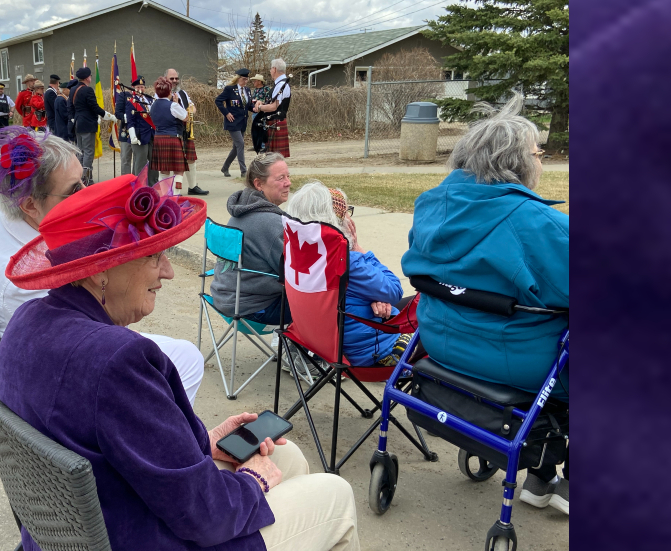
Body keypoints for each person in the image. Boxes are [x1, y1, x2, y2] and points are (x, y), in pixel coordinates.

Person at [0, 171, 360, 551]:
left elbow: (112, 440)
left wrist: (203, 440)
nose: (168, 271)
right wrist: (253, 482)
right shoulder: (115, 360)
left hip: (86, 523)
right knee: (334, 495)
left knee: (285, 454)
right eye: (154, 255)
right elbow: (204, 515)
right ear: (102, 267)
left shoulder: (26, 322)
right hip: (138, 535)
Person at [401, 94, 569, 515]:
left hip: (441, 343)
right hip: (516, 360)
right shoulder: (540, 224)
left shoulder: (430, 207)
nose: (541, 161)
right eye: (538, 153)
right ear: (517, 162)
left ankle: (541, 474)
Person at [0, 127, 204, 404]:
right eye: (74, 189)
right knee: (188, 358)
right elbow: (94, 337)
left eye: (84, 180)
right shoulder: (27, 284)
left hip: (11, 357)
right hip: (48, 375)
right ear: (30, 205)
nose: (87, 193)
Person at [287, 182, 414, 367]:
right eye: (346, 211)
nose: (349, 217)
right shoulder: (346, 260)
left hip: (325, 346)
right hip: (376, 352)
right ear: (336, 219)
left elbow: (346, 294)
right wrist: (359, 250)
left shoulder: (294, 256)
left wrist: (372, 296)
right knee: (427, 304)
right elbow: (394, 290)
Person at [210, 153, 292, 326]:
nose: (288, 183)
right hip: (252, 308)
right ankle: (299, 349)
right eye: (280, 178)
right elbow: (297, 272)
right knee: (331, 302)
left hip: (223, 298)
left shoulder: (241, 209)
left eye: (288, 176)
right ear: (258, 184)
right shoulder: (270, 223)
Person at [161, 68, 207, 195]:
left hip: (185, 131)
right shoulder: (160, 94)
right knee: (169, 164)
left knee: (190, 159)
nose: (175, 81)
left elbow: (192, 106)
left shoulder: (182, 93)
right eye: (172, 78)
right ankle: (170, 192)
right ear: (165, 79)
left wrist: (190, 111)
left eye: (176, 78)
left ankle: (192, 187)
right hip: (171, 133)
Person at [69, 67, 118, 182]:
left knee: (80, 151)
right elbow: (94, 107)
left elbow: (70, 107)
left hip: (78, 123)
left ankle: (79, 177)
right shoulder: (87, 90)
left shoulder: (73, 90)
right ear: (87, 78)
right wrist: (108, 115)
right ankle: (86, 178)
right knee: (88, 151)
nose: (91, 78)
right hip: (87, 124)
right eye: (90, 76)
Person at [148, 77, 189, 195]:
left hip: (158, 139)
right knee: (179, 171)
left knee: (163, 171)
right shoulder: (172, 105)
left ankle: (164, 196)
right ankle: (176, 195)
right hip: (172, 139)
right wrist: (176, 103)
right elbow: (185, 117)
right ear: (170, 92)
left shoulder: (153, 105)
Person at [216, 68, 255, 178]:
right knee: (241, 144)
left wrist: (255, 108)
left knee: (236, 147)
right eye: (244, 79)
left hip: (242, 122)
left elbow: (248, 105)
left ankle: (225, 167)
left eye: (247, 79)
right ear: (238, 79)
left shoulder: (247, 90)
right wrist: (226, 113)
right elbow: (218, 100)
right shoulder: (230, 89)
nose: (245, 81)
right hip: (232, 122)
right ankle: (244, 171)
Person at [254, 59, 291, 158]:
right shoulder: (280, 84)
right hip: (275, 122)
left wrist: (260, 107)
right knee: (273, 157)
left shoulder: (280, 85)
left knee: (274, 158)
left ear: (274, 69)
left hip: (276, 122)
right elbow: (272, 102)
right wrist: (261, 102)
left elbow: (273, 106)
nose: (270, 71)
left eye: (271, 68)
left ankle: (278, 173)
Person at [124, 75, 155, 177]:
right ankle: (140, 188)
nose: (140, 89)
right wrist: (133, 136)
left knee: (154, 163)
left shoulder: (150, 100)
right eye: (137, 87)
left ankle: (153, 186)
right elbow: (130, 121)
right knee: (140, 164)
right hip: (139, 136)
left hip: (152, 135)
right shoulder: (131, 102)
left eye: (142, 87)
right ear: (134, 89)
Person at [115, 78, 134, 175]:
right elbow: (118, 113)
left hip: (140, 132)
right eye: (134, 85)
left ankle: (137, 182)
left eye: (141, 86)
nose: (137, 88)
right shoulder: (124, 95)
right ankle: (126, 182)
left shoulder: (144, 98)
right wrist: (127, 117)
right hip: (126, 131)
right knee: (125, 159)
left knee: (139, 160)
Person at [249, 74, 271, 153]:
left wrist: (262, 105)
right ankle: (257, 144)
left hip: (263, 112)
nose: (253, 82)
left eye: (255, 80)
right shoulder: (255, 90)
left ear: (259, 81)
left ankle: (263, 145)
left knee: (262, 127)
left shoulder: (266, 89)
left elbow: (269, 100)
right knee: (255, 128)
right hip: (255, 112)